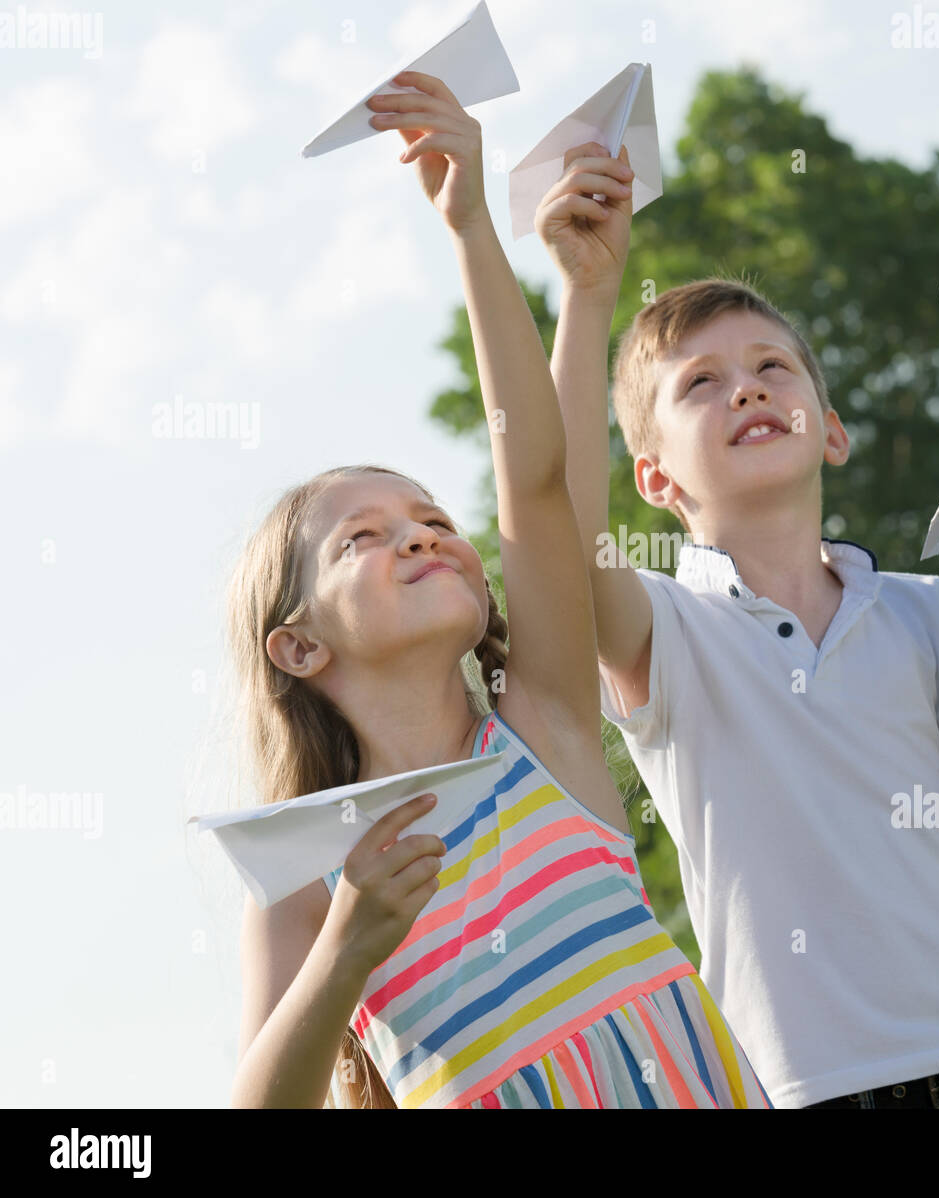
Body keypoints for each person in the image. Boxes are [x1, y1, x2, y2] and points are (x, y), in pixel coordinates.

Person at [226, 74, 771, 1110]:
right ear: (297, 647)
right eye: (366, 538)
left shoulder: (546, 732)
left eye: (433, 517)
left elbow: (533, 476)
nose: (425, 533)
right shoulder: (309, 873)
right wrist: (345, 950)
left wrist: (473, 224)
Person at [533, 140, 939, 1109]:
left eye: (770, 367)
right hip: (817, 1093)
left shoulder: (929, 614)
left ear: (828, 430)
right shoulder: (663, 629)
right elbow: (558, 524)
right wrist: (587, 293)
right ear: (655, 479)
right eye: (698, 384)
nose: (746, 387)